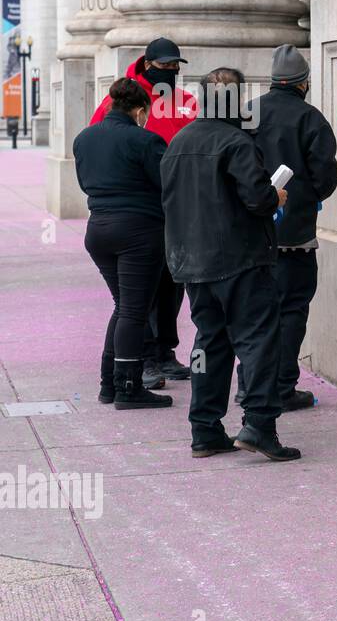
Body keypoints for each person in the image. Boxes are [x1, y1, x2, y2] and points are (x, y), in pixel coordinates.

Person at [161, 67, 299, 462]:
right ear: (235, 101)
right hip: (239, 259)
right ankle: (258, 423)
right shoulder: (236, 142)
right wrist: (276, 197)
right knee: (257, 340)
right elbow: (257, 200)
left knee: (210, 342)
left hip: (192, 261)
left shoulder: (179, 142)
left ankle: (205, 430)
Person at [233, 45, 337, 412]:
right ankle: (281, 386)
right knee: (292, 309)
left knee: (253, 314)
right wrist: (306, 196)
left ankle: (248, 385)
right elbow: (325, 177)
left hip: (250, 234)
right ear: (303, 83)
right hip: (295, 236)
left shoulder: (246, 114)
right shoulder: (311, 119)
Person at [91, 37, 199, 389]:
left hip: (177, 209)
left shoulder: (185, 102)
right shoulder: (119, 103)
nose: (169, 72)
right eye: (163, 66)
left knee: (172, 283)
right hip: (141, 212)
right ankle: (145, 357)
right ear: (147, 65)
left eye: (174, 67)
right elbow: (99, 146)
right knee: (142, 291)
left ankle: (165, 351)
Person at [72, 78, 171, 410]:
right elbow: (167, 186)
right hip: (138, 232)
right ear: (140, 111)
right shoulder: (145, 140)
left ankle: (109, 384)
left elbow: (86, 181)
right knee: (133, 310)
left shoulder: (84, 139)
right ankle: (128, 387)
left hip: (98, 229)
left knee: (124, 307)